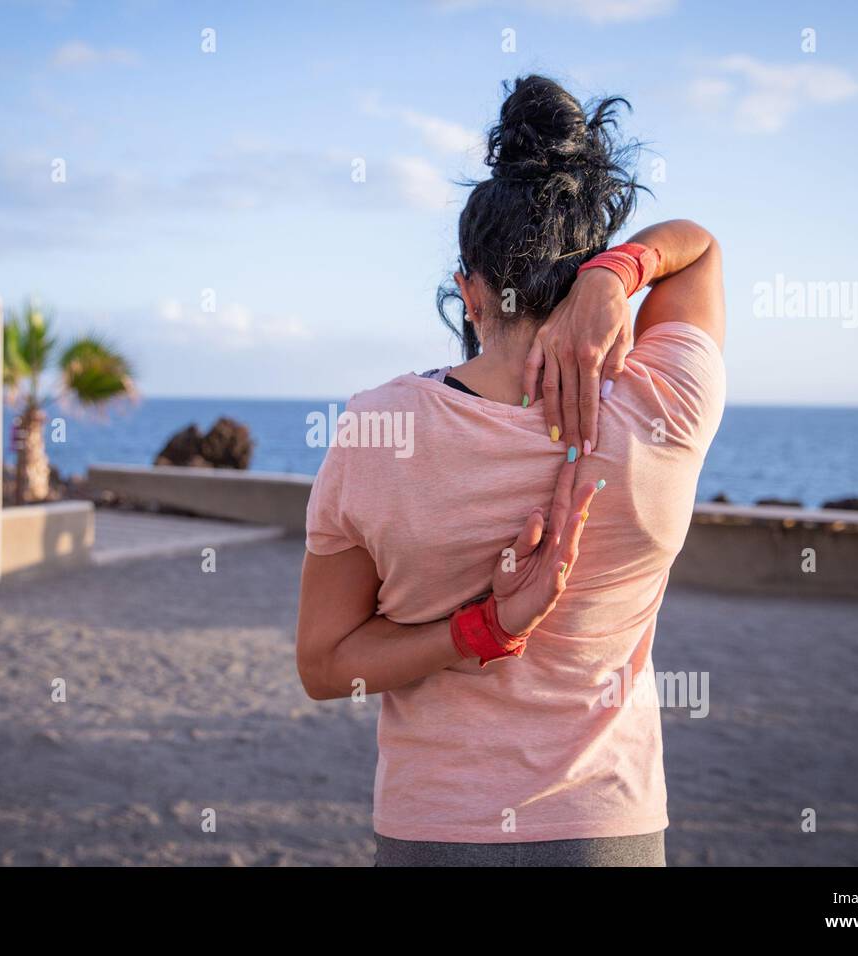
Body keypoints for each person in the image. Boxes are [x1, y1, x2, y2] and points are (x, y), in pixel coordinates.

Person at [295, 75, 726, 866]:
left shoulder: (376, 429)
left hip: (434, 829)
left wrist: (483, 632)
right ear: (586, 269)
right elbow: (697, 253)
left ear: (469, 289)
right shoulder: (670, 403)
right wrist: (618, 276)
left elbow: (326, 667)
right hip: (610, 827)